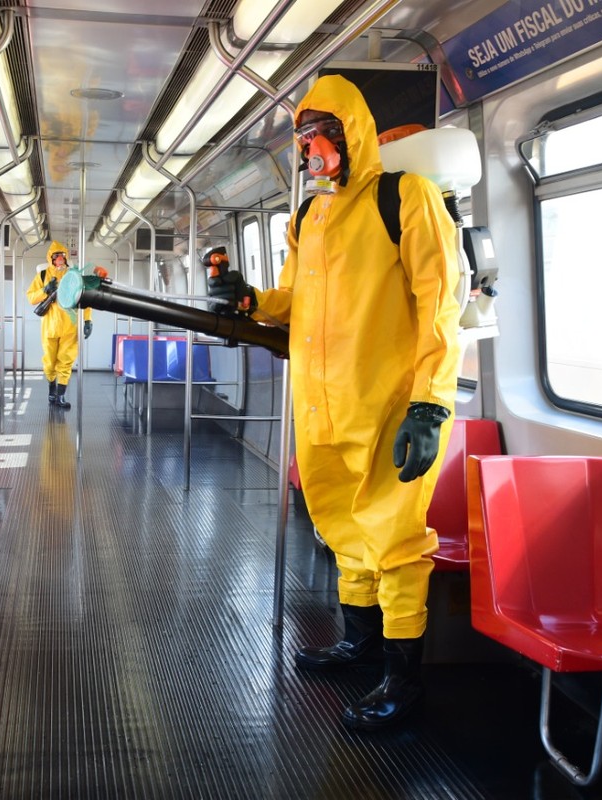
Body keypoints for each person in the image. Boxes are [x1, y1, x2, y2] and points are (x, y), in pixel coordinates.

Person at [208, 74, 461, 731]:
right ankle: (360, 643)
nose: (310, 148)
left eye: (320, 133)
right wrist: (250, 300)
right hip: (321, 408)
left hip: (389, 409)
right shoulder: (307, 217)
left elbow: (441, 307)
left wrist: (430, 404)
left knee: (397, 540)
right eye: (302, 137)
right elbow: (293, 302)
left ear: (351, 133)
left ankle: (404, 683)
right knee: (342, 526)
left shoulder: (405, 198)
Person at [28, 241, 92, 409]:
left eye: (62, 256)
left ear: (66, 257)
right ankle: (51, 389)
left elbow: (85, 299)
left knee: (66, 361)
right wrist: (45, 291)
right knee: (50, 362)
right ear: (51, 258)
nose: (59, 259)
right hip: (49, 326)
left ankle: (61, 396)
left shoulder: (74, 275)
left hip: (70, 326)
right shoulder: (42, 276)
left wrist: (87, 320)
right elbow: (31, 298)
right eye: (56, 257)